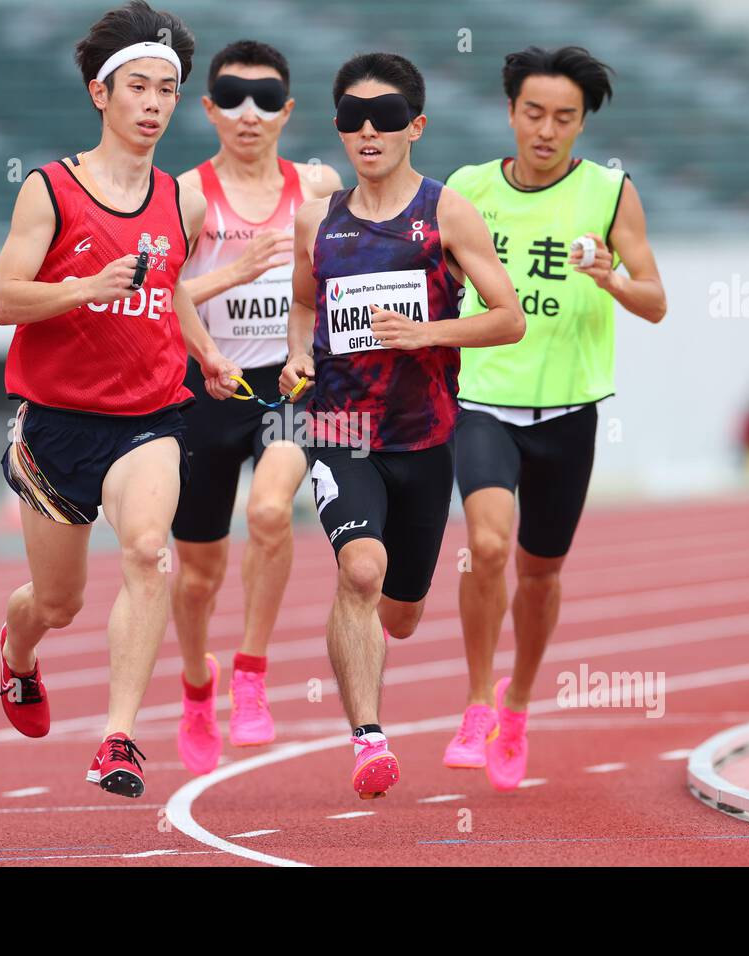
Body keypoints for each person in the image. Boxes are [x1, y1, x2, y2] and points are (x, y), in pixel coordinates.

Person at [0, 1, 240, 799]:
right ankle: (18, 655)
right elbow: (3, 300)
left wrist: (207, 355)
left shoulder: (183, 202)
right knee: (59, 602)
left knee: (145, 552)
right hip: (57, 428)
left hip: (150, 419)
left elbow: (170, 296)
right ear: (102, 94)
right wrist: (85, 287)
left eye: (167, 88)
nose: (155, 103)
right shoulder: (50, 190)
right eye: (139, 86)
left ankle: (119, 738)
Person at [280, 53, 522, 799]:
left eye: (385, 117)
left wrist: (428, 336)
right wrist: (295, 359)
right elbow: (302, 306)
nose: (368, 131)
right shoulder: (317, 219)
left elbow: (508, 318)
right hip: (341, 431)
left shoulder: (446, 212)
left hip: (423, 439)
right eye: (352, 118)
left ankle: (373, 639)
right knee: (361, 570)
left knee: (404, 612)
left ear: (416, 125)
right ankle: (367, 739)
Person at [443, 46, 666, 791]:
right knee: (486, 543)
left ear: (582, 123)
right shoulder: (467, 190)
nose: (545, 130)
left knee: (539, 576)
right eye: (533, 113)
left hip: (568, 412)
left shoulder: (608, 193)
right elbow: (432, 275)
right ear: (510, 111)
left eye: (563, 118)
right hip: (481, 401)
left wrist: (610, 278)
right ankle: (476, 702)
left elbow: (656, 301)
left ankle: (519, 702)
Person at [170, 41, 342, 774]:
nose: (250, 114)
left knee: (271, 513)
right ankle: (196, 684)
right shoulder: (184, 194)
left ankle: (251, 673)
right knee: (198, 573)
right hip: (206, 385)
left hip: (287, 383)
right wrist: (220, 308)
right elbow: (160, 300)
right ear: (207, 109)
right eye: (232, 99)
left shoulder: (319, 185)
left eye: (266, 99)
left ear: (288, 110)